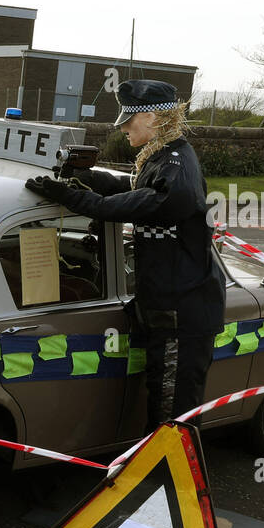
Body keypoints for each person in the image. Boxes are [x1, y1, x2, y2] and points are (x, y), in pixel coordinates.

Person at [28, 79, 225, 433]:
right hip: (167, 305)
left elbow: (131, 204)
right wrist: (86, 177)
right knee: (162, 400)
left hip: (182, 313)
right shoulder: (163, 156)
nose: (122, 127)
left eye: (128, 120)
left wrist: (72, 197)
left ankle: (172, 484)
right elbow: (130, 187)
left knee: (172, 412)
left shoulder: (176, 168)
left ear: (151, 118)